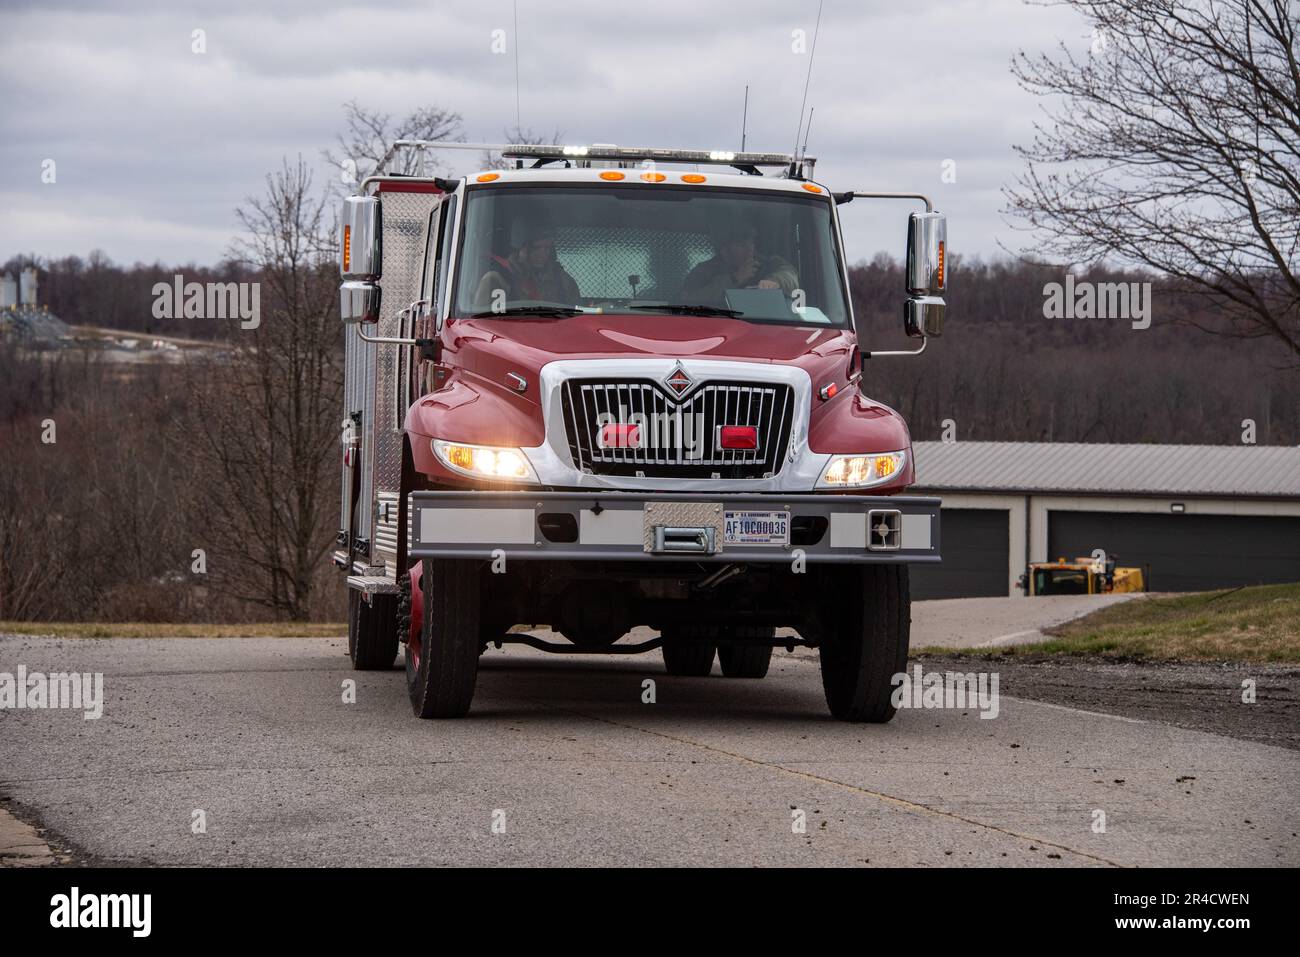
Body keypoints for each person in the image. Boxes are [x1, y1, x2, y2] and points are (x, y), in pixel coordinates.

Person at [473, 214, 580, 311]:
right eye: (536, 248)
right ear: (520, 247)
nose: (543, 254)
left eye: (547, 248)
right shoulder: (497, 280)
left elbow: (577, 319)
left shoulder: (562, 281)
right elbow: (482, 325)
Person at [681, 221, 799, 303]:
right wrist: (734, 279)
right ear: (725, 250)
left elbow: (790, 274)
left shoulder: (767, 263)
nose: (750, 249)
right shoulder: (704, 271)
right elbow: (688, 300)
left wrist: (775, 280)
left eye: (751, 243)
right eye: (741, 245)